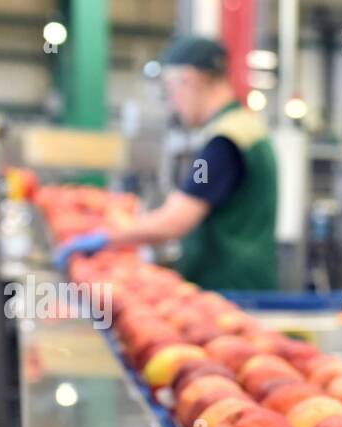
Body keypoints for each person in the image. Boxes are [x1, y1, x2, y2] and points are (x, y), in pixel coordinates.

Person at [54, 36, 279, 291]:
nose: (173, 104)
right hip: (242, 282)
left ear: (190, 79)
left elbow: (175, 220)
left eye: (171, 90)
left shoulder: (224, 143)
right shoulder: (244, 129)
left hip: (231, 288)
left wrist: (106, 238)